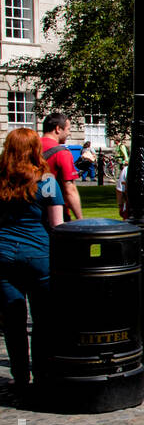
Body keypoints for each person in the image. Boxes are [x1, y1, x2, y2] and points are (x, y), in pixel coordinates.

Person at [0, 128, 64, 392]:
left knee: (12, 323)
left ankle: (20, 375)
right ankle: (41, 372)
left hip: (3, 255)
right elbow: (57, 224)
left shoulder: (1, 180)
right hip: (39, 253)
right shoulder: (46, 181)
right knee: (42, 320)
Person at [39, 112, 83, 221]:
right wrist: (80, 219)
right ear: (58, 129)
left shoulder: (28, 148)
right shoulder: (62, 153)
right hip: (56, 212)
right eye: (68, 129)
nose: (69, 134)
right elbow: (70, 190)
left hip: (29, 211)